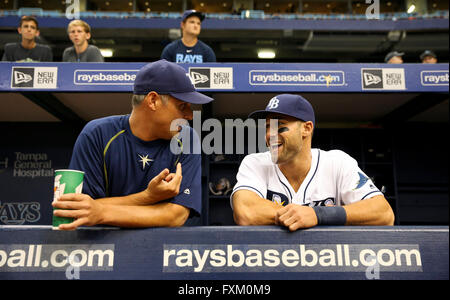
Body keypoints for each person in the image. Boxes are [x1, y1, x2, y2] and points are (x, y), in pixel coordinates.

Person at [52, 59, 213, 230]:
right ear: (152, 101)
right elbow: (78, 210)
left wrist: (101, 212)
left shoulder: (187, 138)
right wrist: (148, 197)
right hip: (101, 250)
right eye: (182, 106)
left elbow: (176, 215)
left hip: (160, 251)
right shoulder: (97, 134)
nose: (189, 115)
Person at [231, 94, 395, 231]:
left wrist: (318, 215)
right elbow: (246, 212)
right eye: (267, 127)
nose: (269, 134)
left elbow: (384, 214)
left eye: (279, 125)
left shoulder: (338, 162)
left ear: (307, 128)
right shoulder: (255, 163)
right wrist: (301, 216)